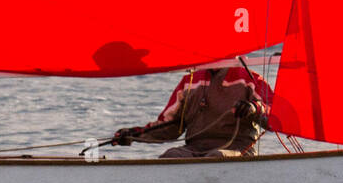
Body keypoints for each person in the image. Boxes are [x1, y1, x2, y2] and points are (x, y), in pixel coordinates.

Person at [111, 62, 272, 158]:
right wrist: (134, 135)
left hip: (237, 148)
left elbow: (276, 116)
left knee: (216, 158)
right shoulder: (190, 81)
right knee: (171, 156)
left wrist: (254, 109)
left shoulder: (249, 79)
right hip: (195, 148)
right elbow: (170, 127)